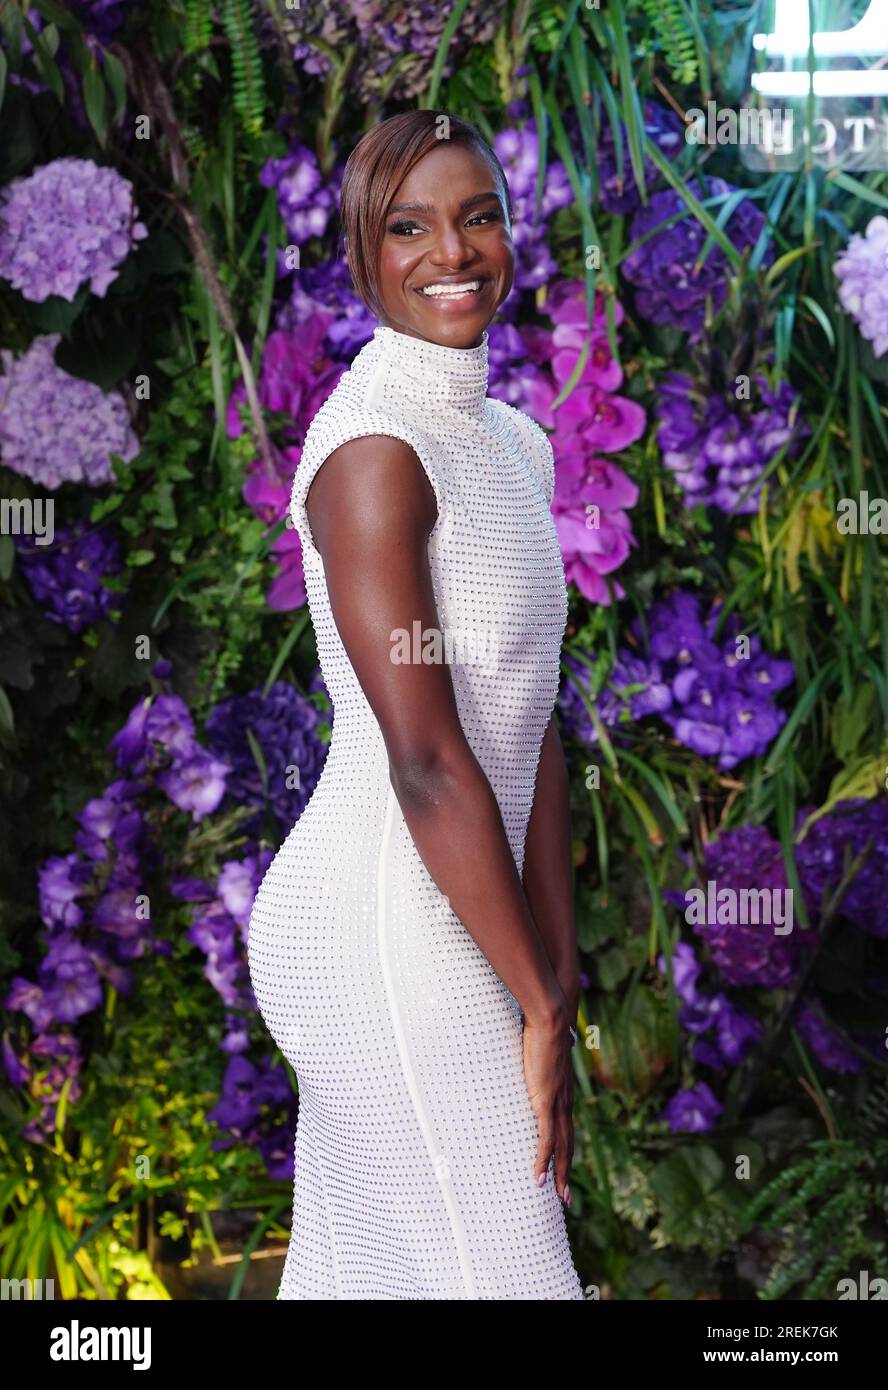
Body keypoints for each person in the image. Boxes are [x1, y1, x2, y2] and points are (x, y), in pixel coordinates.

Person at [248, 109, 584, 1300]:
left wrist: (557, 974)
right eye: (410, 226)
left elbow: (533, 718)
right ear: (363, 256)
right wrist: (535, 1005)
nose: (454, 249)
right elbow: (429, 761)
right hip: (380, 926)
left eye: (478, 213)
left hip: (470, 910)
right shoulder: (372, 454)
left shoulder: (517, 444)